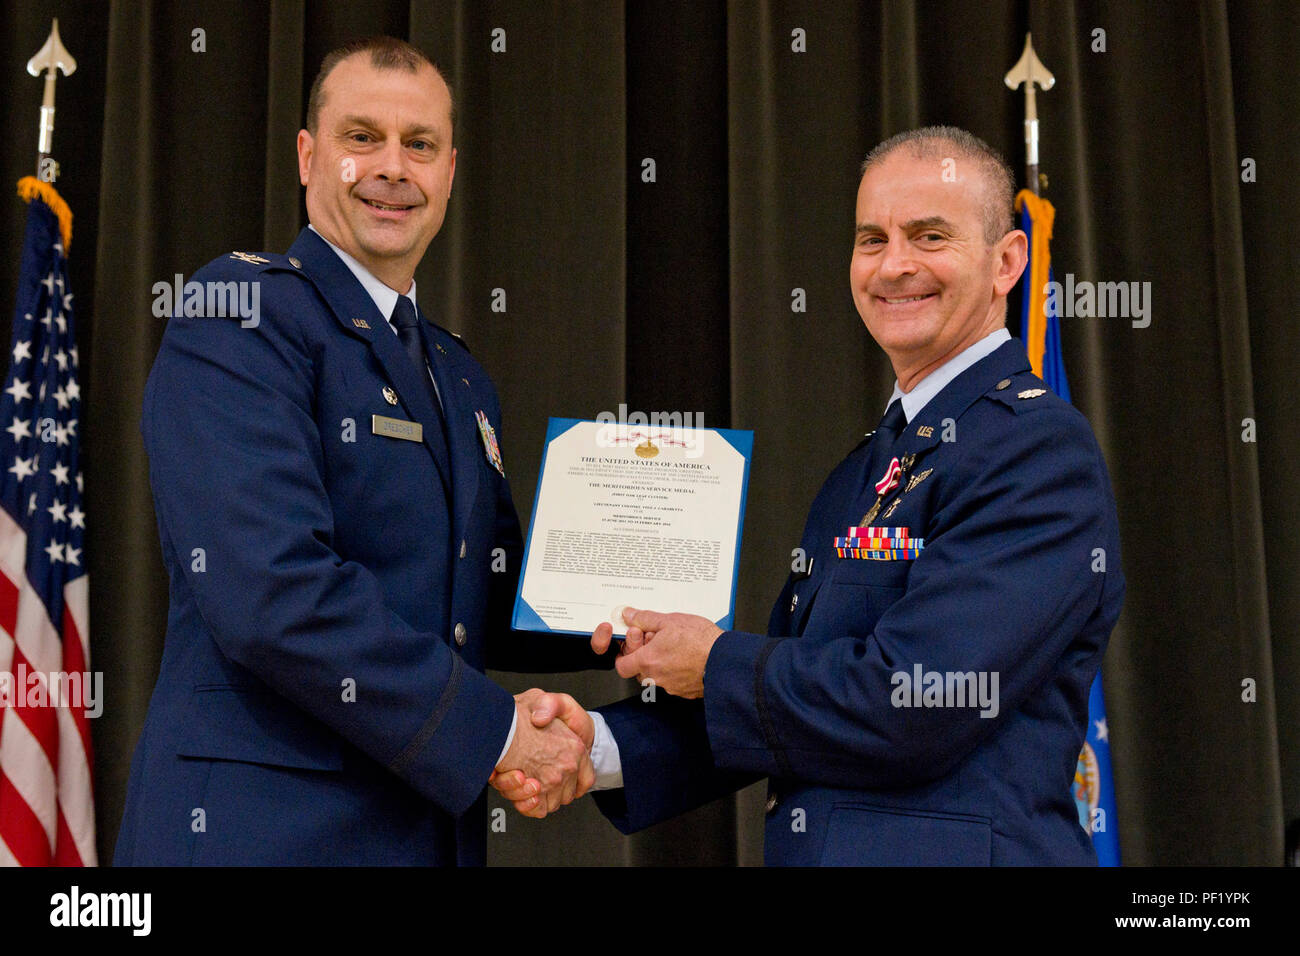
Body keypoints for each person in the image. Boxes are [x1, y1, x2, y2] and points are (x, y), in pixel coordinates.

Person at [493, 126, 1126, 865]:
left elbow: (916, 698)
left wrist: (718, 661)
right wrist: (594, 747)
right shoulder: (870, 464)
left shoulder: (1037, 450)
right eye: (871, 239)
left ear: (1007, 260)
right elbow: (804, 701)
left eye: (929, 236)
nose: (894, 265)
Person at [115, 36, 600, 866]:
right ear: (309, 157)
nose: (393, 167)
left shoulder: (454, 370)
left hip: (420, 833)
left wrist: (633, 603)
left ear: (450, 170)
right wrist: (500, 734)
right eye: (361, 138)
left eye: (420, 145)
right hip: (263, 834)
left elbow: (481, 587)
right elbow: (273, 592)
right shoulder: (240, 316)